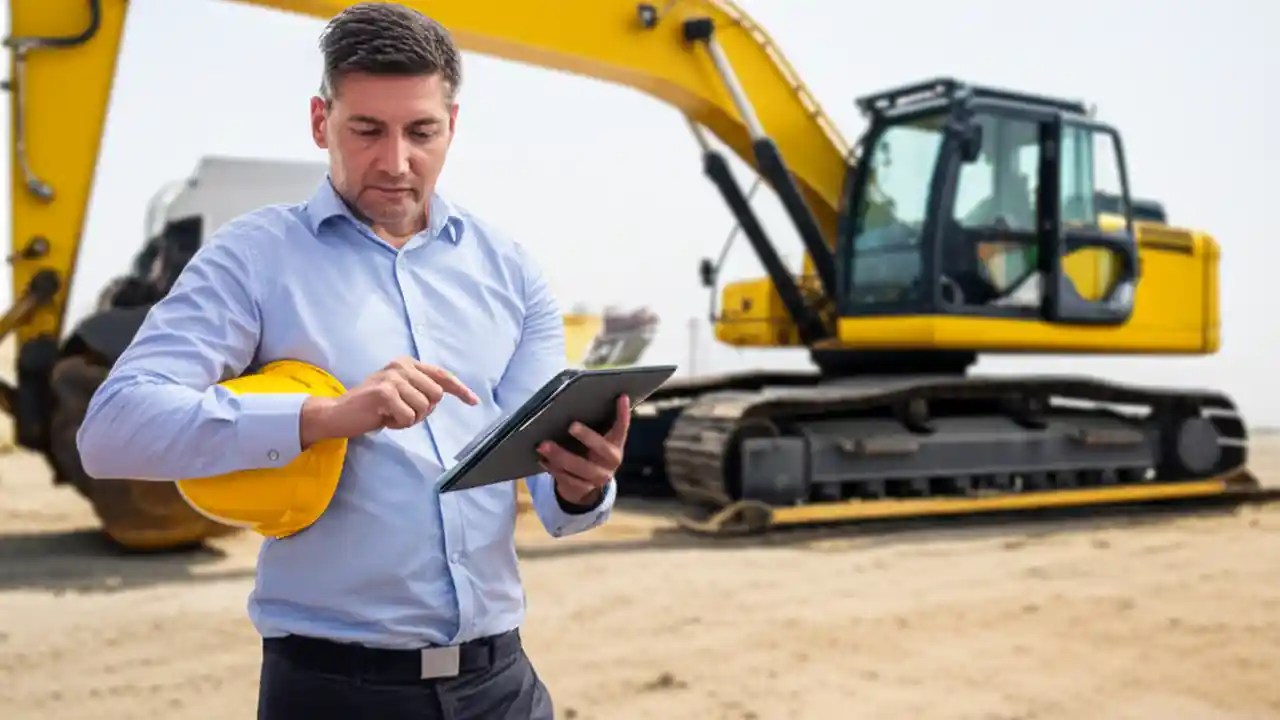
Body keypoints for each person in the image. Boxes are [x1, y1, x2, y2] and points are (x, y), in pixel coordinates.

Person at [74, 4, 625, 718]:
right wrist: (323, 417)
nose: (396, 162)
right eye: (367, 130)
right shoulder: (254, 259)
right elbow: (112, 431)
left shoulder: (510, 271)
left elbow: (551, 488)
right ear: (319, 121)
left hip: (502, 685)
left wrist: (583, 485)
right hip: (336, 692)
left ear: (451, 126)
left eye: (421, 131)